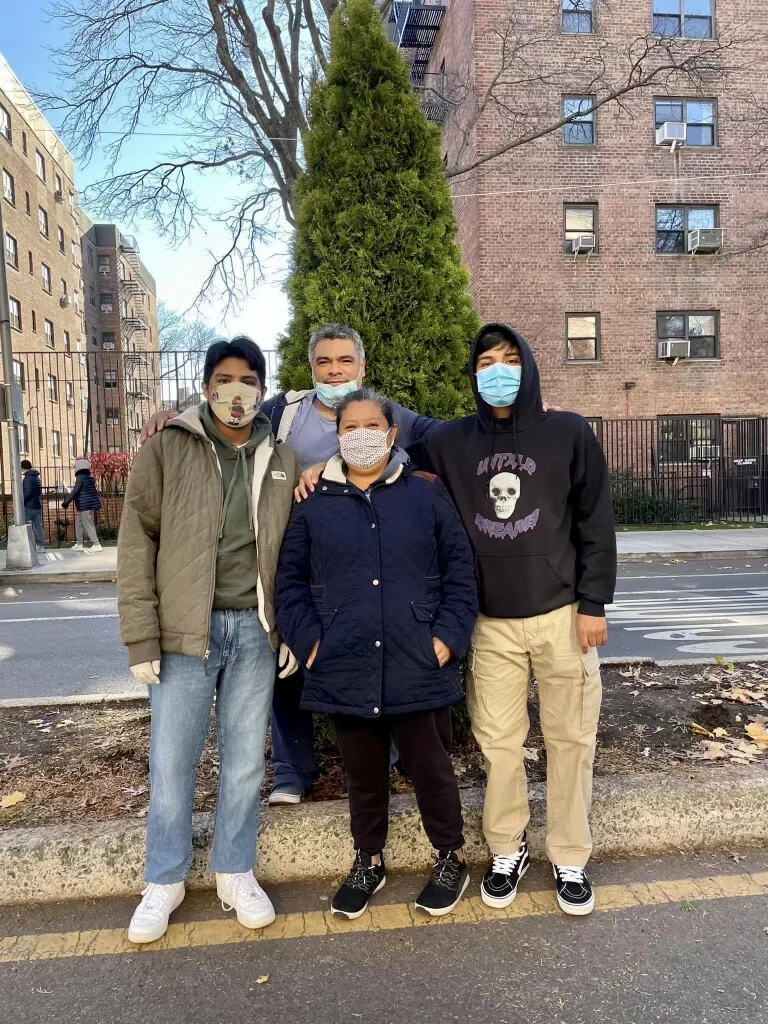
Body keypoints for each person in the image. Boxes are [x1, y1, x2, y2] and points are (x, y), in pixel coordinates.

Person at [140, 324, 440, 807]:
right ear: (312, 368)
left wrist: (527, 420)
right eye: (324, 362)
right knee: (287, 668)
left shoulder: (381, 412)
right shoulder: (285, 411)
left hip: (357, 562)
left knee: (372, 655)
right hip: (290, 560)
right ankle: (291, 771)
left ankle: (381, 763)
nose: (335, 370)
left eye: (345, 362)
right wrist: (169, 413)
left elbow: (440, 435)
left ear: (361, 368)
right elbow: (229, 414)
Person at [410, 323, 616, 917]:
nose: (498, 370)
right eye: (485, 362)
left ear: (528, 365)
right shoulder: (451, 441)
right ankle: (507, 849)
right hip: (489, 622)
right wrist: (312, 465)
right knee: (499, 745)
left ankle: (570, 855)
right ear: (473, 375)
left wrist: (594, 603)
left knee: (570, 741)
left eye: (509, 359)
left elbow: (594, 519)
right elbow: (378, 429)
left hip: (562, 617)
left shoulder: (568, 432)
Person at [117, 336, 299, 945]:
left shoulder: (282, 456)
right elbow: (137, 544)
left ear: (263, 389)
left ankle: (234, 870)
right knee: (172, 762)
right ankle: (163, 880)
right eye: (225, 379)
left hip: (254, 629)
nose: (236, 391)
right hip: (183, 632)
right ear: (205, 387)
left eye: (248, 379)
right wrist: (141, 638)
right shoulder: (168, 448)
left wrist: (291, 627)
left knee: (246, 763)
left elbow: (298, 550)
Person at [275, 389, 478, 919]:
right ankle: (368, 858)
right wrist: (311, 642)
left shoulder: (426, 494)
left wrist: (447, 638)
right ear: (338, 436)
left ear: (391, 435)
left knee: (430, 767)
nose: (361, 435)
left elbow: (461, 574)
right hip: (344, 660)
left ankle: (449, 856)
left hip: (417, 659)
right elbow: (290, 583)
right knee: (363, 773)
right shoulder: (314, 503)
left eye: (373, 426)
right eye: (350, 426)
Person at [62, 458, 103, 551]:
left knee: (88, 524)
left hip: (85, 506)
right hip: (86, 505)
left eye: (75, 467)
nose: (75, 469)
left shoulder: (80, 478)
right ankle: (79, 543)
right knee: (79, 523)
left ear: (79, 467)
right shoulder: (89, 478)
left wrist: (66, 502)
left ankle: (96, 544)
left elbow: (74, 491)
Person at [21, 460, 45, 551]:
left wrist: (22, 503)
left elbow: (27, 493)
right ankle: (41, 546)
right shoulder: (36, 478)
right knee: (38, 527)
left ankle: (28, 545)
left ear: (23, 468)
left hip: (29, 506)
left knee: (22, 525)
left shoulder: (27, 479)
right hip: (37, 506)